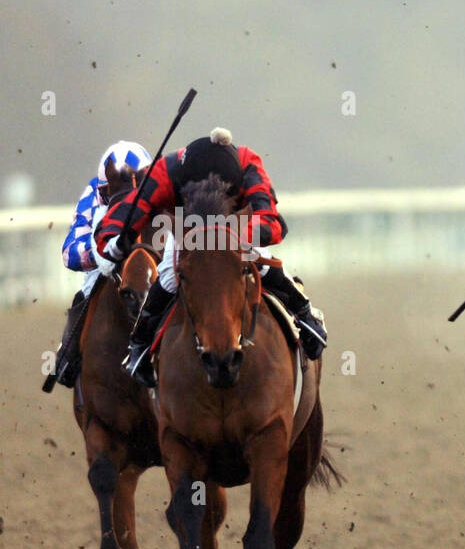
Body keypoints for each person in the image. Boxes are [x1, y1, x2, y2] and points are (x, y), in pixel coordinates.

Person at [95, 127, 327, 387]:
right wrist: (113, 240)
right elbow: (130, 210)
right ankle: (139, 346)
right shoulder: (165, 172)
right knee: (170, 277)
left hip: (235, 225)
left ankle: (306, 316)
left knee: (261, 263)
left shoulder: (247, 162)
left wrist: (238, 236)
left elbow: (272, 221)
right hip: (187, 227)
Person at [45, 141, 152, 389]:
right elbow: (69, 253)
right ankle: (68, 356)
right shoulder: (92, 193)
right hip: (105, 270)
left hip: (151, 265)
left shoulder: (161, 188)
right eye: (111, 193)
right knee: (82, 299)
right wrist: (103, 251)